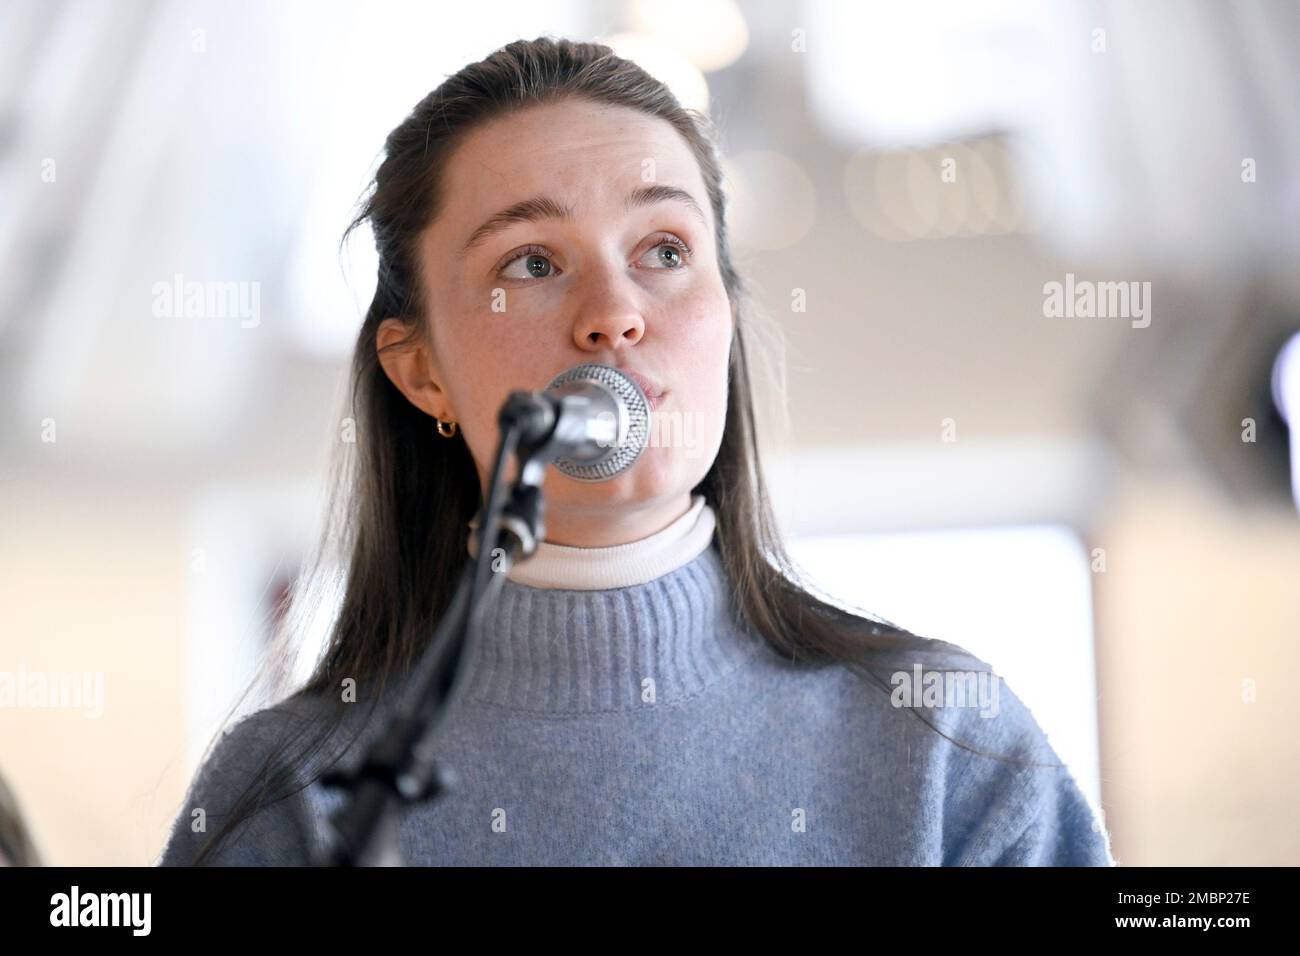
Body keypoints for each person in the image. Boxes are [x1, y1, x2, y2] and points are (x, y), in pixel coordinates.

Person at [157, 36, 1114, 867]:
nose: (614, 315)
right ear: (422, 375)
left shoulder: (945, 746)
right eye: (532, 263)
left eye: (663, 249)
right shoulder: (290, 794)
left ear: (726, 319)